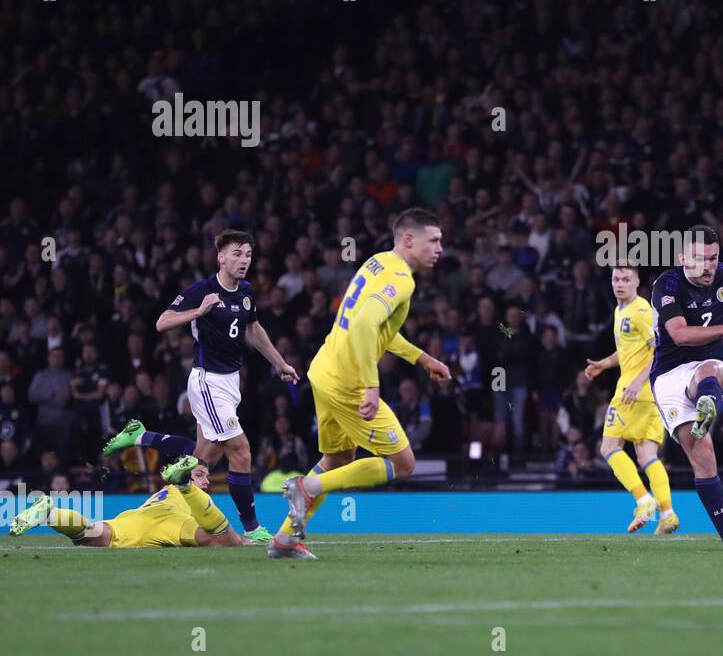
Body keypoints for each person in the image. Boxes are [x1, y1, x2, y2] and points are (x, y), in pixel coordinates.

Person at [272, 208, 452, 559]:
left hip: (324, 369)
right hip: (348, 383)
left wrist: (423, 358)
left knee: (338, 457)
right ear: (409, 239)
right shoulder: (402, 279)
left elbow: (377, 328)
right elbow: (366, 325)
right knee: (403, 464)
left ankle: (284, 540)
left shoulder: (377, 262)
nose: (440, 248)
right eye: (434, 240)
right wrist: (372, 385)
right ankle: (307, 487)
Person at [102, 229, 299, 543]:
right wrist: (198, 311)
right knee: (242, 451)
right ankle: (252, 528)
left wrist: (279, 363)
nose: (244, 260)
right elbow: (162, 322)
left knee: (203, 456)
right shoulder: (201, 290)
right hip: (207, 381)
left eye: (248, 254)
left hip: (231, 382)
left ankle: (139, 436)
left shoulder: (246, 291)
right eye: (237, 253)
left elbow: (254, 329)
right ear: (220, 257)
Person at [648, 225, 723, 554]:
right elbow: (680, 335)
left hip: (706, 366)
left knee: (712, 370)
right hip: (668, 375)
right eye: (700, 259)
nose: (709, 266)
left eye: (713, 258)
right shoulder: (666, 285)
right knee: (703, 458)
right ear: (683, 258)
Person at [584, 266, 677, 534]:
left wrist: (636, 382)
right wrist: (603, 363)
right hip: (651, 393)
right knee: (647, 455)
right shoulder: (620, 310)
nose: (620, 283)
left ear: (637, 282)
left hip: (633, 390)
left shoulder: (641, 310)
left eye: (626, 279)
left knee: (609, 447)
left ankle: (643, 500)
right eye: (616, 278)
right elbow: (627, 351)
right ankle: (668, 513)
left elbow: (657, 348)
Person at [9, 456, 252, 548]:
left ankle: (50, 513)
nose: (207, 482)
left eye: (206, 476)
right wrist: (242, 539)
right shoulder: (198, 498)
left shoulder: (166, 489)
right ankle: (185, 483)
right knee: (226, 543)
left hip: (137, 516)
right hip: (172, 521)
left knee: (89, 533)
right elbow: (219, 533)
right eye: (200, 475)